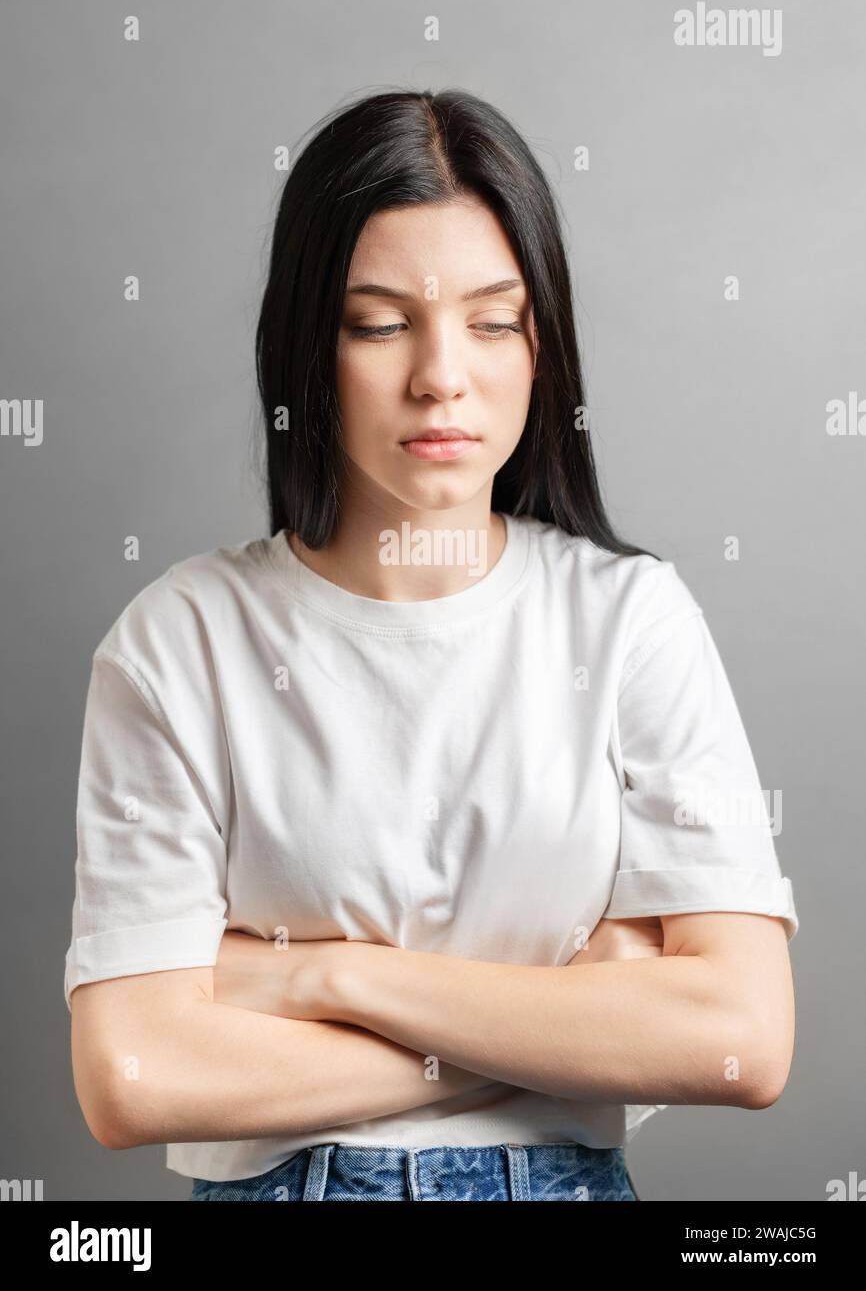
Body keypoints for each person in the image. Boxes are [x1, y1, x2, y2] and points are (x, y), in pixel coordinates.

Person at [65, 88, 798, 1203]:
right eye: (378, 321)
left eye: (492, 319)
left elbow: (741, 1036)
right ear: (309, 344)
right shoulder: (178, 643)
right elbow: (132, 1072)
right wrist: (559, 1024)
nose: (440, 375)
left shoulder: (629, 619)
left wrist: (320, 974)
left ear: (539, 343)